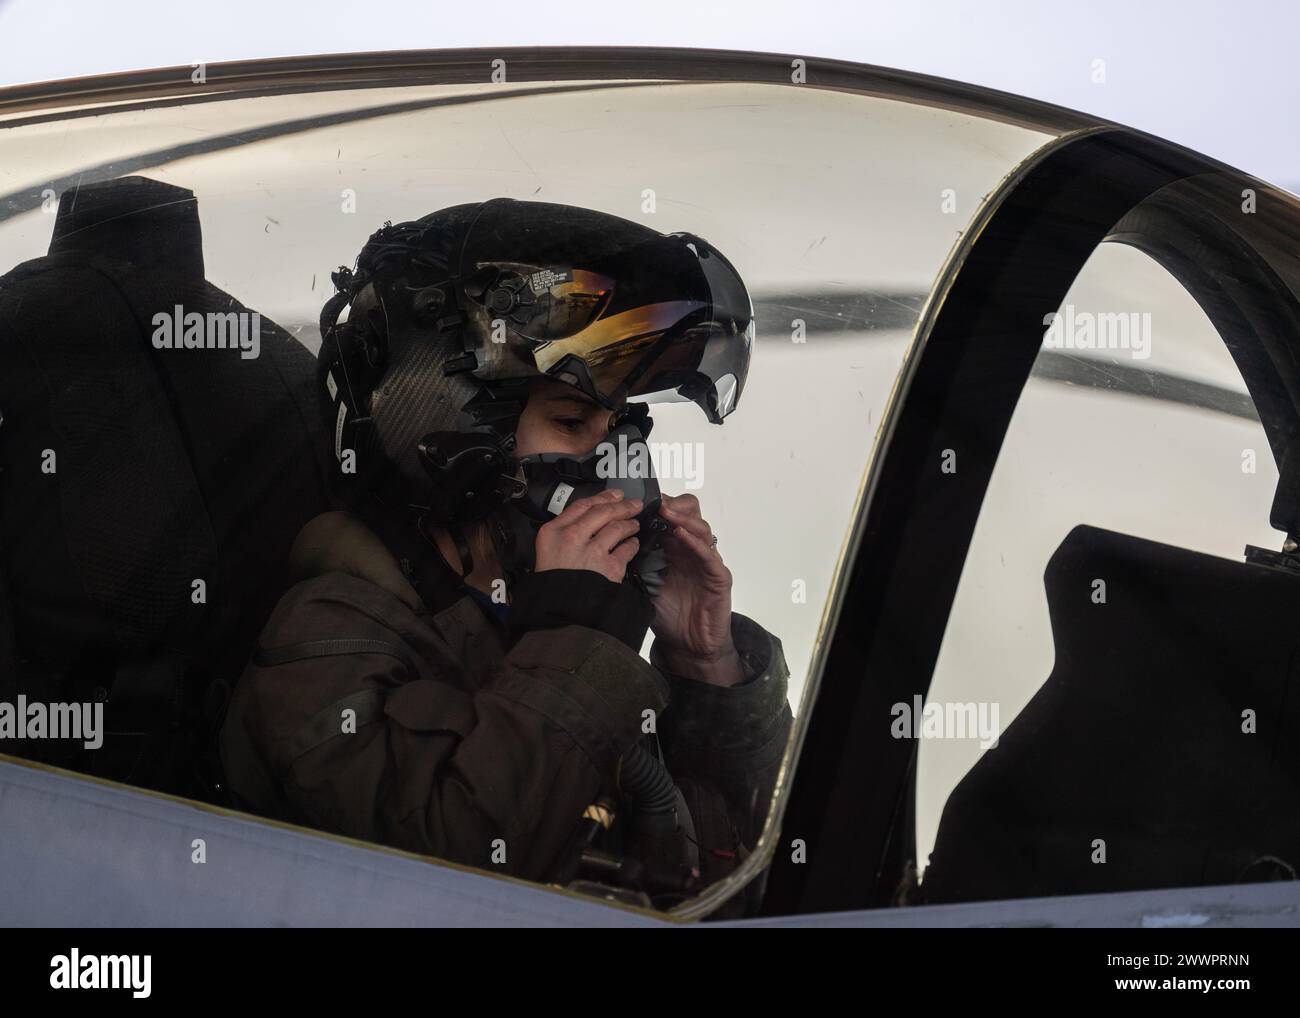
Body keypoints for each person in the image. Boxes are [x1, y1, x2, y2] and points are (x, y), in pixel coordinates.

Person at [218, 198, 793, 914]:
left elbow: (731, 871)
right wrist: (577, 641)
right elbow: (457, 870)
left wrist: (707, 668)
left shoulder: (528, 615)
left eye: (621, 428)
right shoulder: (324, 642)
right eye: (572, 421)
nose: (616, 462)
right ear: (455, 424)